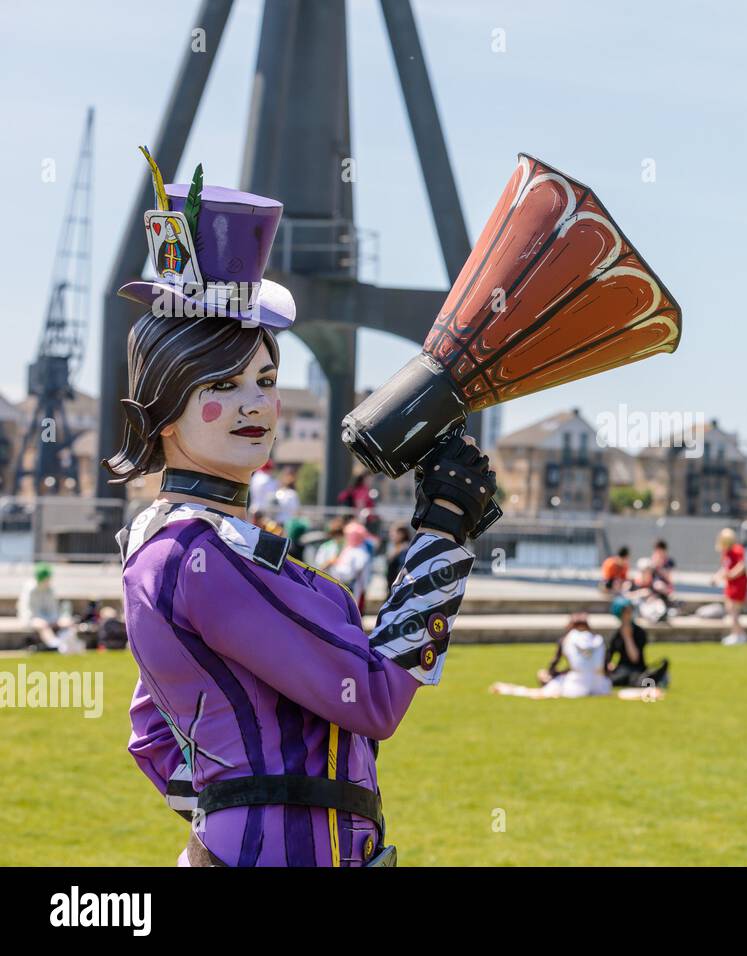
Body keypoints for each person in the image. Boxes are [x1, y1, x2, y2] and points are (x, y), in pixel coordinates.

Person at [103, 163, 498, 867]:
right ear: (162, 411)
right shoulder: (204, 555)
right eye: (221, 386)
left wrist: (223, 825)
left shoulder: (154, 546)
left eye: (266, 380)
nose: (255, 404)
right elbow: (374, 698)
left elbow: (152, 734)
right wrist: (442, 536)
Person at [490, 612, 663, 701]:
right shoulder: (598, 639)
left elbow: (554, 666)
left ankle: (506, 689)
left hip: (575, 687)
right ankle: (646, 693)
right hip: (600, 685)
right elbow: (604, 667)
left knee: (542, 687)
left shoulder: (567, 638)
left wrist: (552, 676)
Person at [606, 596, 669, 689]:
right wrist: (609, 665)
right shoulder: (616, 635)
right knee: (614, 679)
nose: (629, 614)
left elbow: (635, 658)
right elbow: (608, 656)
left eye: (630, 611)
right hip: (622, 669)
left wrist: (628, 638)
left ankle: (652, 678)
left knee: (636, 678)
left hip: (638, 669)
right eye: (626, 612)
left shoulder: (640, 632)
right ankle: (651, 679)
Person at [19, 562, 81, 653]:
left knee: (67, 622)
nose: (49, 580)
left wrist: (56, 620)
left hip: (48, 618)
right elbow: (29, 610)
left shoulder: (50, 589)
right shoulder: (30, 589)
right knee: (43, 625)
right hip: (31, 618)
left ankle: (69, 644)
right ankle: (54, 645)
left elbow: (53, 608)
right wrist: (44, 620)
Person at [331, 521, 376, 614]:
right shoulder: (350, 548)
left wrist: (335, 567)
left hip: (353, 587)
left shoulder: (359, 551)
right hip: (347, 585)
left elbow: (351, 572)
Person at [713, 528, 747, 645]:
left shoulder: (737, 550)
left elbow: (741, 566)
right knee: (730, 609)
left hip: (738, 584)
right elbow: (724, 568)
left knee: (733, 610)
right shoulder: (726, 553)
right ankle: (738, 633)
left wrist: (731, 575)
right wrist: (717, 577)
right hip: (730, 584)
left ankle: (738, 634)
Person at [385, 524, 413, 596]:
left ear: (401, 534)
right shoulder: (395, 547)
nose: (391, 535)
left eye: (393, 533)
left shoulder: (405, 549)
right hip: (392, 588)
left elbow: (403, 570)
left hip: (399, 590)